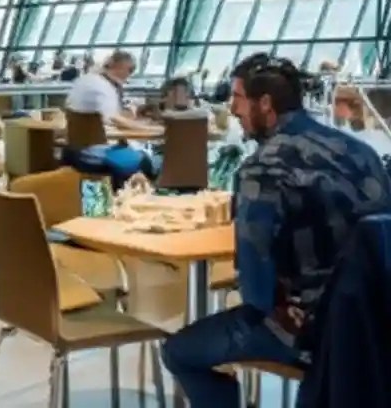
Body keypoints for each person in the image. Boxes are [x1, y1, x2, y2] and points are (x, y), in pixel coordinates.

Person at [161, 54, 391, 408]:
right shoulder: (363, 153)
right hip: (378, 322)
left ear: (264, 104)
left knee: (180, 351)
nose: (233, 109)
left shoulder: (264, 169)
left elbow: (257, 293)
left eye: (237, 99)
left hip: (312, 334)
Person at [64, 50, 157, 185]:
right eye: (130, 70)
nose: (129, 75)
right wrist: (148, 128)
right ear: (123, 68)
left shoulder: (84, 80)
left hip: (73, 151)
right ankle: (128, 198)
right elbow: (114, 119)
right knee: (146, 161)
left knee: (132, 153)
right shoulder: (104, 87)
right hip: (96, 154)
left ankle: (107, 197)